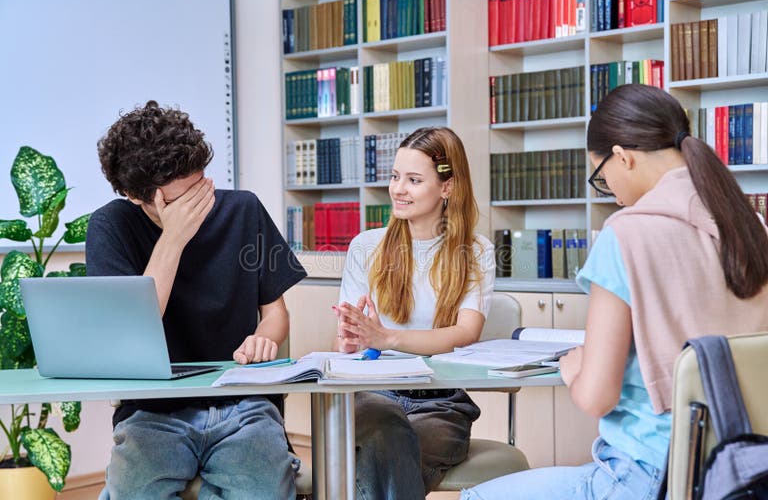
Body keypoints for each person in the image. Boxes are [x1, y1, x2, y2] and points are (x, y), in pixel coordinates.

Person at [462, 84, 768, 500]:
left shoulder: (626, 235)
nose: (607, 190)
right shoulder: (750, 226)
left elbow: (596, 396)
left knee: (470, 497)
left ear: (622, 156)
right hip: (739, 467)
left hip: (649, 477)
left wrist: (575, 369)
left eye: (601, 175)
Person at [87, 101, 307, 499]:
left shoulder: (244, 209)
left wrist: (265, 338)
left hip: (243, 405)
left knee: (264, 488)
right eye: (182, 198)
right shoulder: (110, 226)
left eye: (201, 184)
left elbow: (276, 314)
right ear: (137, 197)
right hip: (153, 412)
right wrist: (173, 236)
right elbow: (133, 331)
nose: (199, 203)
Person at [334, 126, 495, 499]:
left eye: (413, 180)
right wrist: (351, 341)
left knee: (384, 452)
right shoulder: (366, 247)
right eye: (394, 177)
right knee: (386, 436)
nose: (397, 189)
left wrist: (387, 337)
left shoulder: (476, 251)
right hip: (373, 393)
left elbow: (465, 333)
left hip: (441, 402)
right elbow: (349, 343)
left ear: (447, 187)